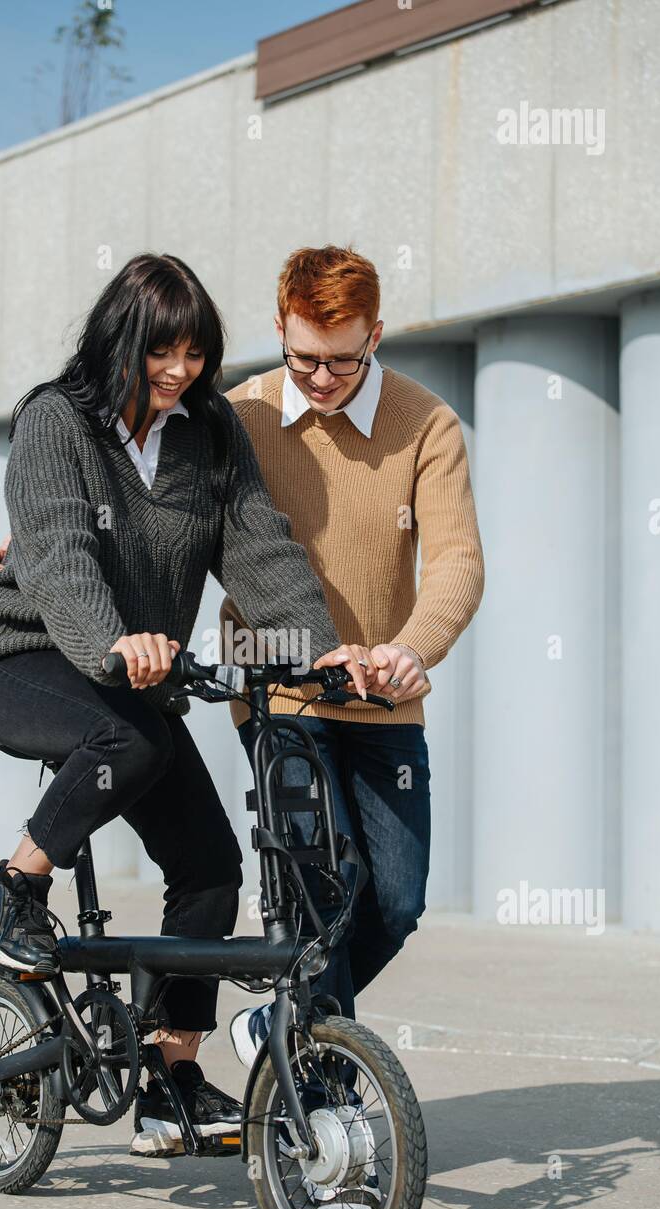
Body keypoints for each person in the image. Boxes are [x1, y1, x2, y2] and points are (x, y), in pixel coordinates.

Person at [0, 251, 372, 1154]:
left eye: (196, 356)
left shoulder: (211, 432)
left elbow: (260, 548)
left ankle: (170, 1075)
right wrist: (112, 642)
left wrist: (321, 646)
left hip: (134, 686)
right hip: (25, 654)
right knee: (127, 739)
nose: (180, 373)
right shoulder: (55, 421)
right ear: (122, 341)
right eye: (162, 354)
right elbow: (60, 552)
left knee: (213, 866)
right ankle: (14, 885)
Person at [220, 246, 485, 1065]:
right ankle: (324, 1108)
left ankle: (286, 1022)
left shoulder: (426, 423)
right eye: (304, 358)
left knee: (396, 901)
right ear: (279, 331)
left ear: (376, 334)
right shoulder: (240, 418)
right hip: (279, 697)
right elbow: (153, 513)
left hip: (383, 700)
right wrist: (30, 547)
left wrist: (412, 650)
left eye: (343, 359)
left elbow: (457, 564)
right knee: (320, 890)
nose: (322, 378)